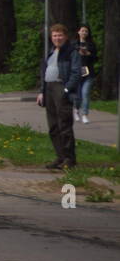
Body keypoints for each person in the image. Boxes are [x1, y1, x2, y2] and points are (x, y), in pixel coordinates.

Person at [37, 23, 82, 170]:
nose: (57, 38)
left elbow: (76, 73)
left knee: (64, 125)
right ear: (51, 37)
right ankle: (60, 157)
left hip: (61, 88)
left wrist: (67, 89)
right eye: (55, 35)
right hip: (49, 89)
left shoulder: (71, 52)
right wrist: (41, 92)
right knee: (53, 126)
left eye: (60, 35)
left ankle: (70, 159)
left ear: (65, 36)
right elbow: (45, 73)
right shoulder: (51, 52)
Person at [73, 24, 98, 124]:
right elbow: (70, 57)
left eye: (86, 31)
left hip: (89, 73)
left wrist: (89, 54)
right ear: (78, 32)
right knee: (78, 95)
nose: (84, 33)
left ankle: (84, 114)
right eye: (82, 31)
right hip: (77, 73)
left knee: (85, 93)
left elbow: (96, 58)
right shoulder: (73, 44)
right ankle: (76, 110)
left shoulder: (91, 45)